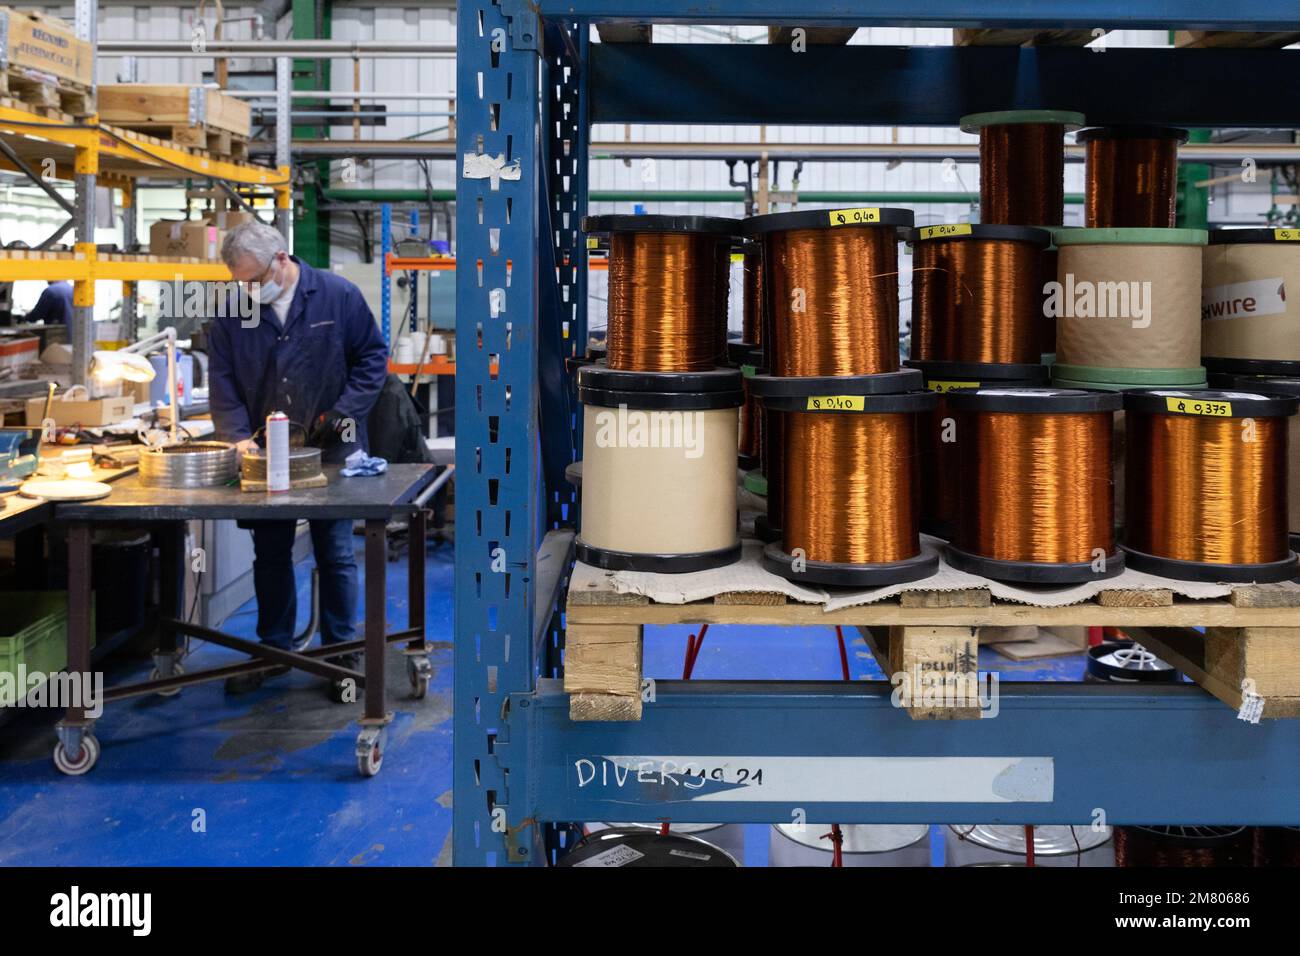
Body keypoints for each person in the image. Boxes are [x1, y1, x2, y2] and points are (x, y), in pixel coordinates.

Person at [207, 222, 388, 695]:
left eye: (253, 279)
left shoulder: (337, 296)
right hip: (265, 453)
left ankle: (339, 652)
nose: (248, 290)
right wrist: (236, 437)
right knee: (270, 553)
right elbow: (222, 377)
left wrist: (343, 413)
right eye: (240, 282)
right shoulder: (234, 311)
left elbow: (372, 358)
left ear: (281, 260)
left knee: (335, 551)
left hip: (333, 446)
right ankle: (274, 649)